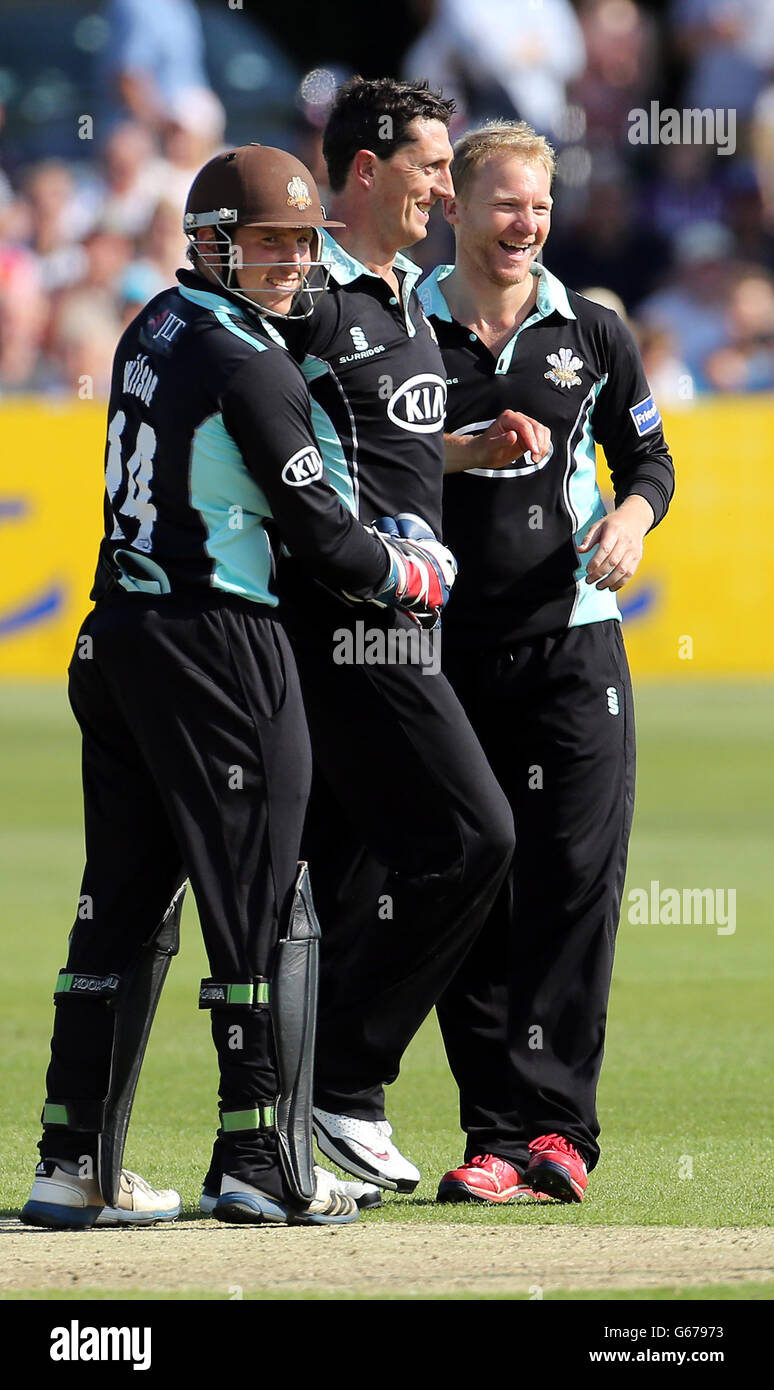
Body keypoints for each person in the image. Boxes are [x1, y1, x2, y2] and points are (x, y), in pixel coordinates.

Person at [20, 143, 455, 1230]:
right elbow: (322, 537)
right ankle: (259, 1153)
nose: (287, 263)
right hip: (216, 640)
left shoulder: (149, 328)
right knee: (267, 903)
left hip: (118, 634)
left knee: (118, 904)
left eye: (301, 244)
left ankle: (71, 1161)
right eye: (265, 243)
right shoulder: (248, 360)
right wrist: (413, 568)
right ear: (211, 241)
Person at [253, 80, 543, 1199]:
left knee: (324, 886)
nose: (443, 185)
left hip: (403, 622)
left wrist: (466, 453)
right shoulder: (312, 296)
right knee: (476, 835)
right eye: (428, 165)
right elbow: (266, 435)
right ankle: (347, 1081)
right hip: (348, 627)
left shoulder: (408, 299)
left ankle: (267, 1142)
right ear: (366, 171)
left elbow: (378, 446)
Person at [418, 121, 675, 1203]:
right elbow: (353, 457)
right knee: (466, 881)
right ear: (458, 207)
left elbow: (652, 457)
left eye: (540, 207)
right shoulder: (399, 324)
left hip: (575, 645)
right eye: (505, 203)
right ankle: (493, 1131)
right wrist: (457, 450)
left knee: (574, 884)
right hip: (438, 647)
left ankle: (557, 1133)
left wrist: (633, 517)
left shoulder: (593, 330)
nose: (525, 225)